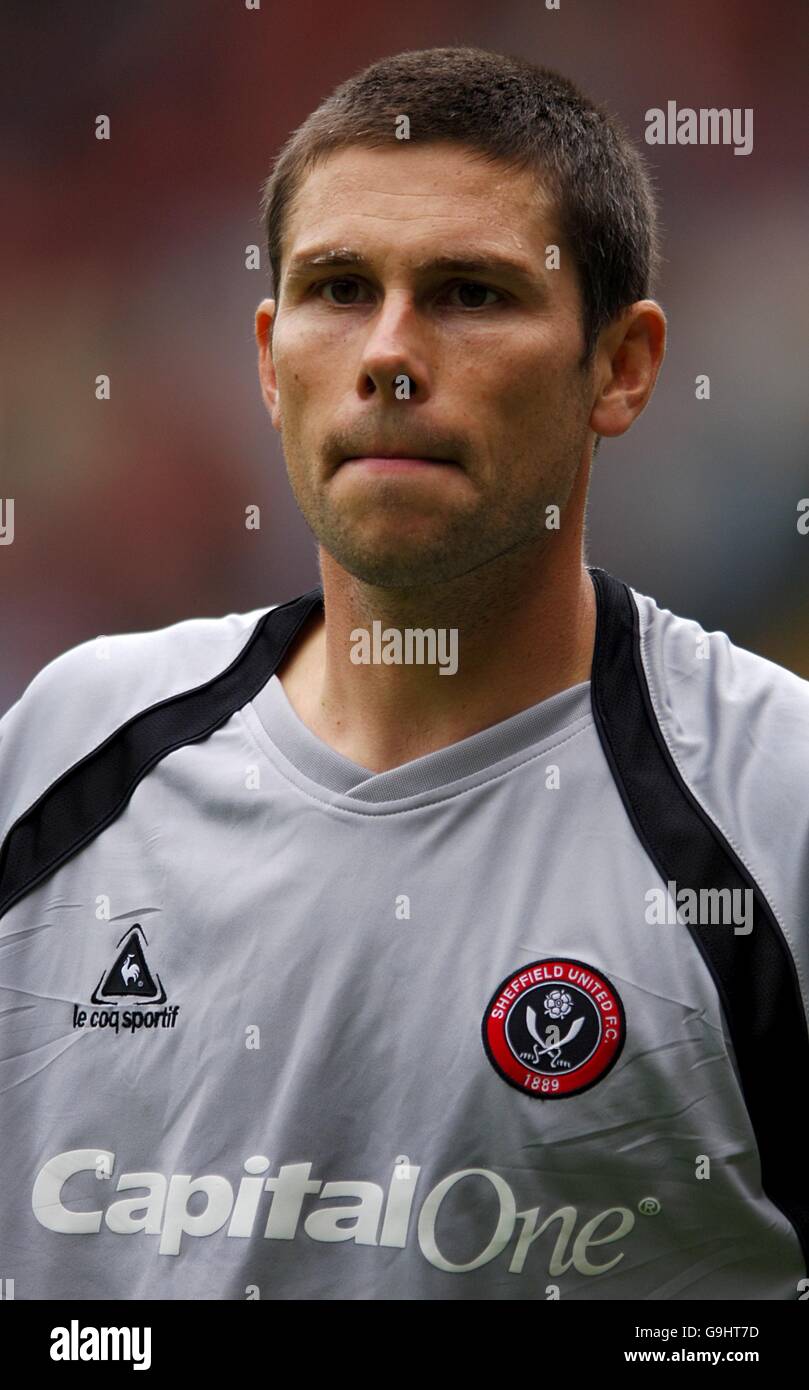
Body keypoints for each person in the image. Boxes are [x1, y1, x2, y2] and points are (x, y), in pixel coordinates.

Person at [1, 46, 807, 1302]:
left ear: (621, 365)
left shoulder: (774, 804)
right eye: (336, 289)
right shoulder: (69, 741)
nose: (387, 352)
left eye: (470, 294)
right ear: (269, 362)